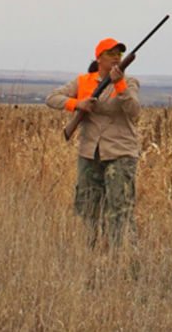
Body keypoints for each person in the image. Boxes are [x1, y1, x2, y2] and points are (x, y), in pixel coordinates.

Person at [46, 37, 141, 248]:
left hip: (120, 153)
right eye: (111, 54)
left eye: (119, 54)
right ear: (99, 58)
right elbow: (52, 98)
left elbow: (134, 111)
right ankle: (90, 253)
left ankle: (124, 257)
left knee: (120, 208)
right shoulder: (83, 81)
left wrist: (120, 85)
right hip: (90, 153)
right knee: (87, 207)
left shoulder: (129, 82)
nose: (116, 58)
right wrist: (77, 104)